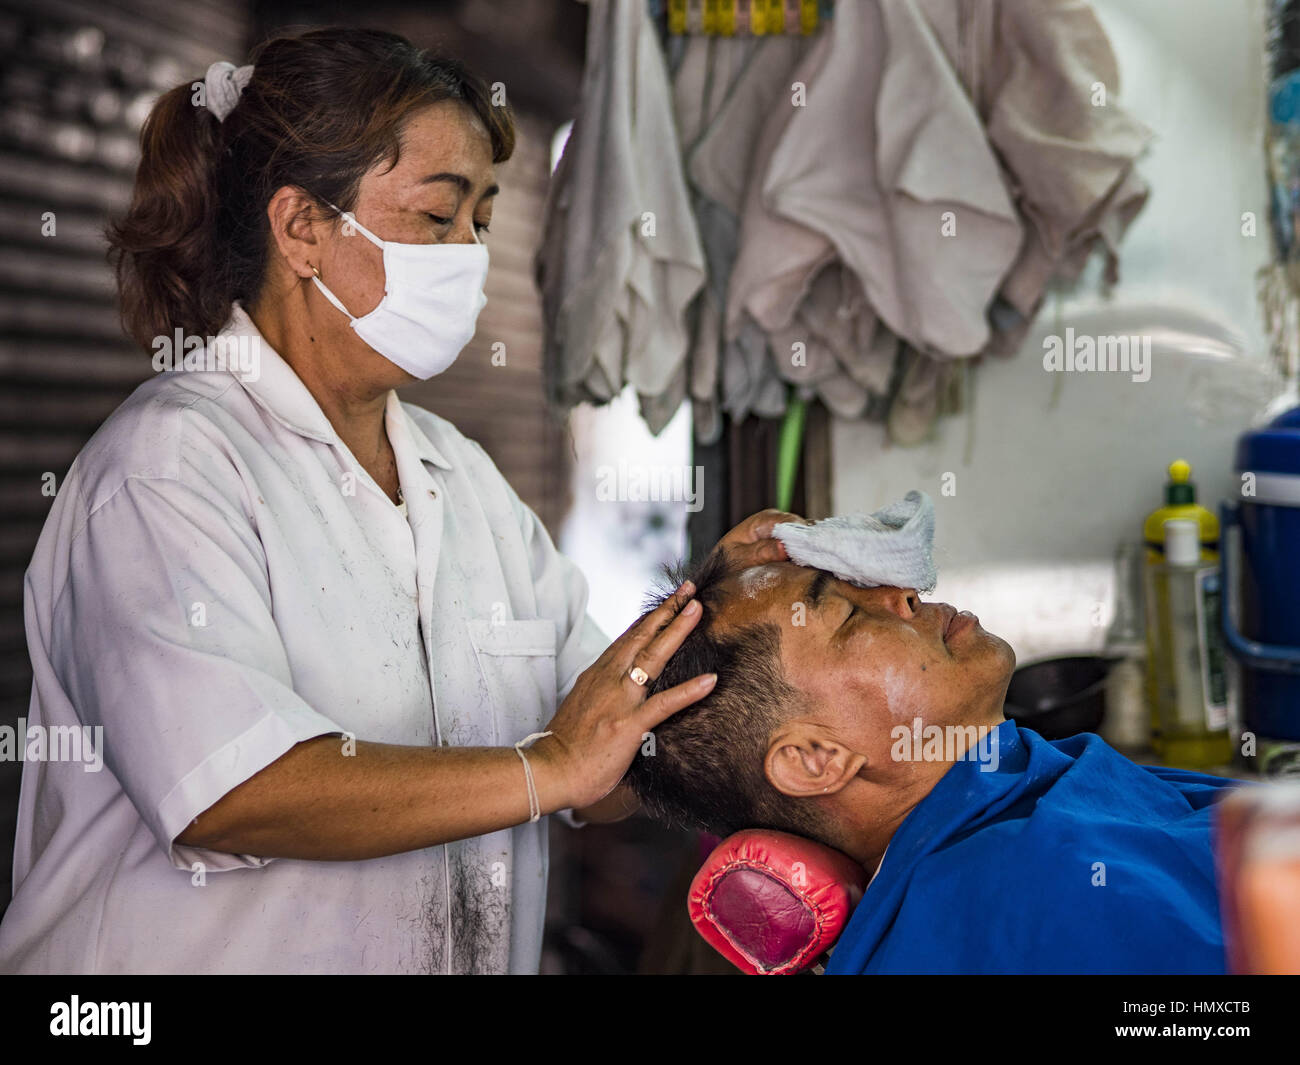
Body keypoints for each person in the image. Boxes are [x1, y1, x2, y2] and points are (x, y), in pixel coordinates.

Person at [0, 26, 795, 974]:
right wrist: (543, 770)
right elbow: (229, 790)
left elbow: (610, 750)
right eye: (437, 216)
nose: (469, 253)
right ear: (302, 228)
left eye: (483, 222)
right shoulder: (167, 467)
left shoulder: (460, 479)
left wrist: (725, 608)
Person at [623, 549, 1240, 975]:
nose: (904, 595)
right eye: (848, 614)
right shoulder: (1024, 895)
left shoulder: (1029, 788)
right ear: (817, 758)